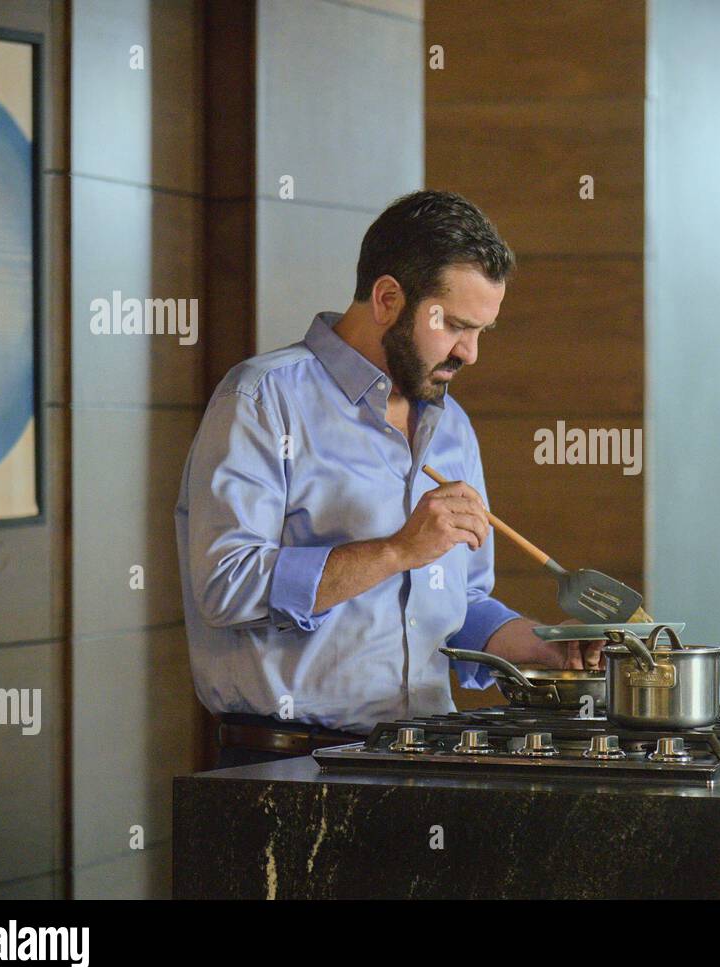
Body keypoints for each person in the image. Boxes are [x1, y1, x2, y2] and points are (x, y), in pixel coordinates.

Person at [174, 190, 601, 766]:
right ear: (387, 299)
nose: (470, 353)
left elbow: (459, 601)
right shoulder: (262, 398)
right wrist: (398, 550)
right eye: (453, 325)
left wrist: (545, 647)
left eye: (482, 331)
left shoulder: (452, 425)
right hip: (290, 767)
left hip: (425, 760)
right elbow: (225, 586)